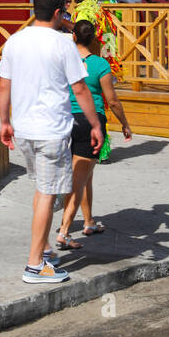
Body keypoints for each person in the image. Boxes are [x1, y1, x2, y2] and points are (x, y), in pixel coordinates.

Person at [0, 0, 103, 284]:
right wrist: (95, 124)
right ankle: (34, 265)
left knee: (42, 190)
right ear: (58, 12)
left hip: (25, 129)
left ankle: (42, 250)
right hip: (52, 130)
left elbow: (4, 85)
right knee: (47, 193)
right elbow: (80, 88)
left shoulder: (15, 41)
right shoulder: (62, 44)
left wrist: (4, 121)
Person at [56, 20, 133, 250]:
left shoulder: (64, 61)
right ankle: (64, 231)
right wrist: (125, 123)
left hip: (64, 120)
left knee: (85, 173)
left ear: (73, 36)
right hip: (90, 122)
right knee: (78, 180)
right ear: (93, 40)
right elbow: (113, 101)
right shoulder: (100, 65)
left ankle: (88, 222)